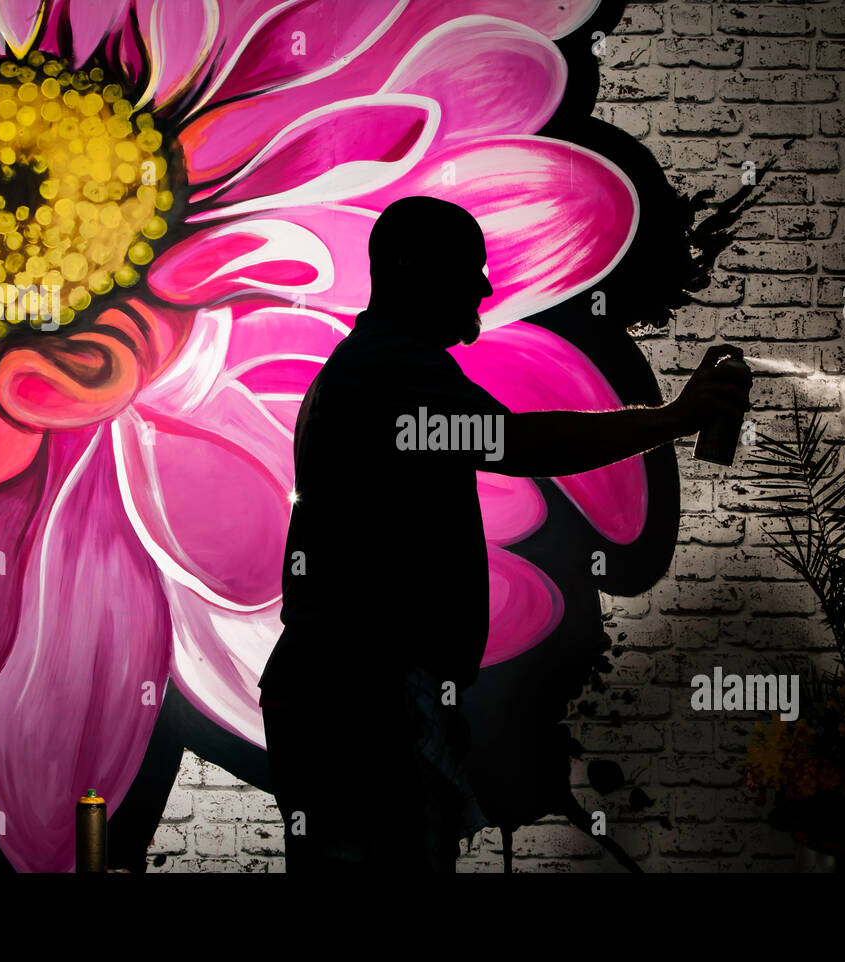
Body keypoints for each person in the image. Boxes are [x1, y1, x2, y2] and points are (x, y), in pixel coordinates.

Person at [257, 196, 753, 873]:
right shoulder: (393, 369)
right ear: (410, 271)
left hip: (348, 698)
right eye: (468, 267)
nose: (484, 287)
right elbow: (514, 442)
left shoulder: (367, 368)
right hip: (363, 705)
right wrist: (672, 419)